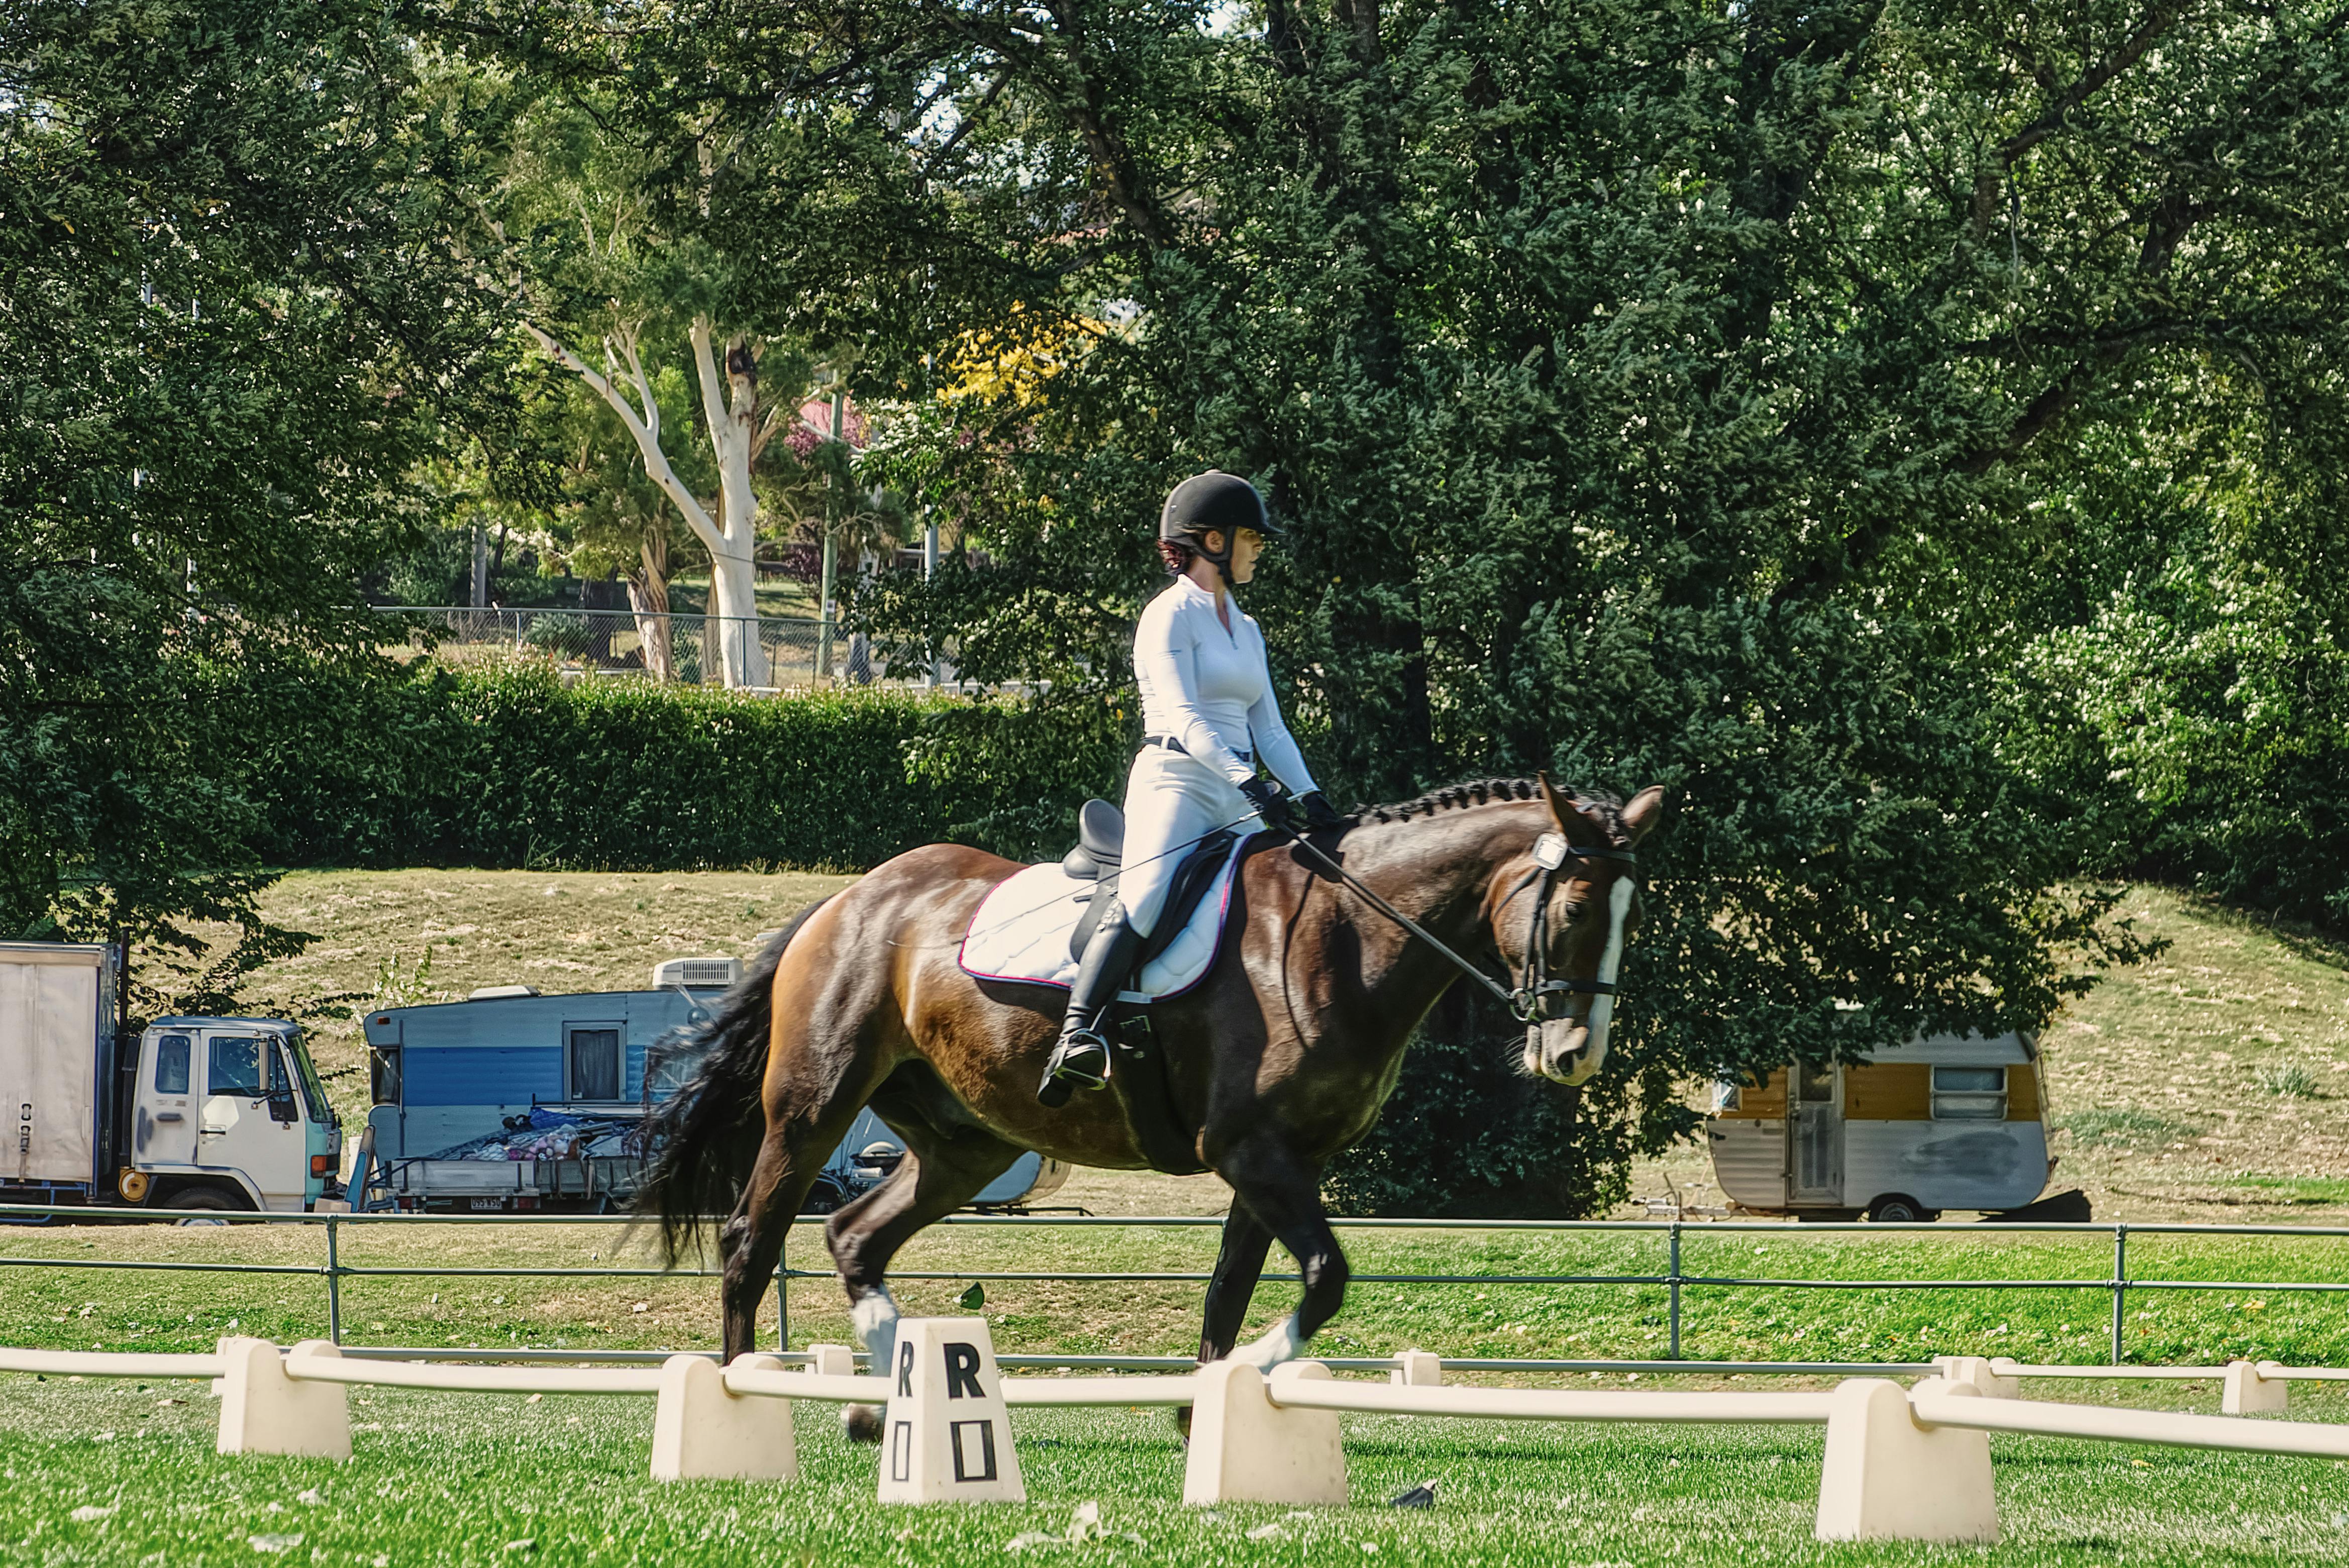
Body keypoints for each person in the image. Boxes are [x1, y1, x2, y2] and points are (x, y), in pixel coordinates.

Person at [1039, 471, 1345, 1106]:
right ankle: (1076, 1032)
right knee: (1147, 896)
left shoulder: (1248, 628)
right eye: (1250, 538)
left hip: (1238, 792)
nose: (1259, 549)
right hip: (1176, 780)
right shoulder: (1167, 614)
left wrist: (1311, 794)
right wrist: (1248, 780)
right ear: (1211, 540)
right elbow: (1184, 715)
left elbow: (1271, 727)